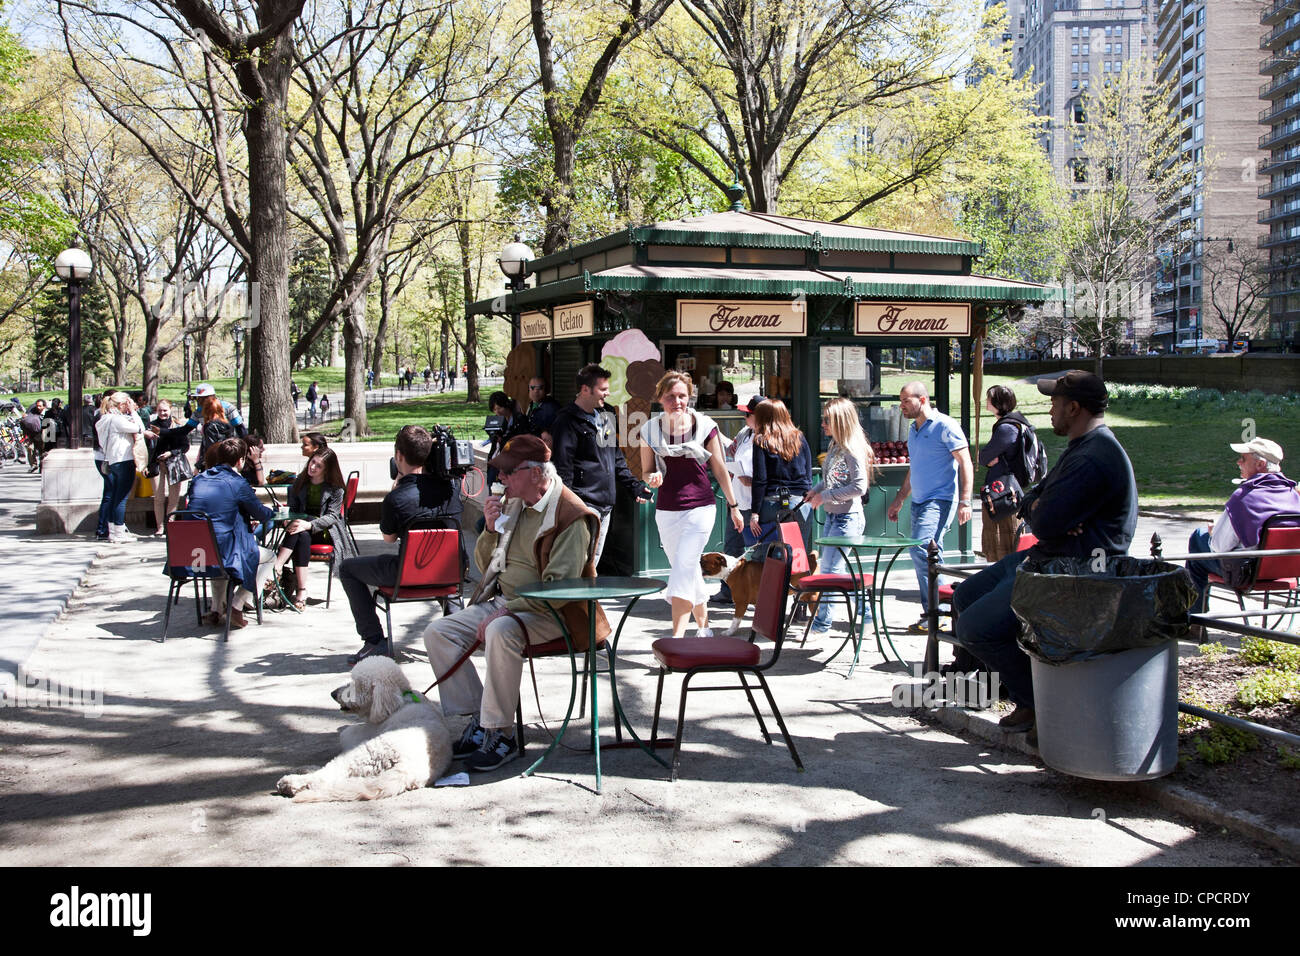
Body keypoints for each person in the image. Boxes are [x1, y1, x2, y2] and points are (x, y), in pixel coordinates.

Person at [953, 371, 1138, 733]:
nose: (1049, 410)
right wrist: (1040, 506)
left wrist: (1043, 510)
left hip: (1073, 566)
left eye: (1054, 403)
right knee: (966, 594)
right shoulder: (1082, 446)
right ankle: (1018, 687)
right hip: (1048, 554)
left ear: (1074, 408)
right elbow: (1033, 498)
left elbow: (1045, 520)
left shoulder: (1095, 455)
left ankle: (1042, 704)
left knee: (975, 627)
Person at [423, 434, 604, 772]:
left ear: (537, 473)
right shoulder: (513, 502)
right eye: (500, 473)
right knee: (439, 633)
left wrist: (506, 610)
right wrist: (490, 529)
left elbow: (558, 590)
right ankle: (482, 716)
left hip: (554, 612)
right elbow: (484, 567)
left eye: (508, 472)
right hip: (507, 603)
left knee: (502, 631)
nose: (500, 479)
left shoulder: (572, 516)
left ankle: (501, 733)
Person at [340, 425, 465, 665]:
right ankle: (455, 633)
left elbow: (388, 539)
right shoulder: (452, 488)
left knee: (347, 568)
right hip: (452, 573)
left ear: (398, 456)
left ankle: (375, 640)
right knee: (443, 565)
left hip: (408, 575)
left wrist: (395, 486)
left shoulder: (396, 498)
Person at [639, 371, 743, 638]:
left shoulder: (705, 426)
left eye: (682, 396)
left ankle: (676, 639)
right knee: (684, 570)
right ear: (660, 398)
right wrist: (652, 478)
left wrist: (733, 506)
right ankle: (704, 628)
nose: (677, 402)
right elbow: (646, 472)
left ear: (690, 397)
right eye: (671, 396)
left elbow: (720, 469)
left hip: (701, 507)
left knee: (684, 568)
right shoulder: (649, 430)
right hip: (667, 510)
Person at [885, 381, 974, 633]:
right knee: (929, 554)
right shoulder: (914, 429)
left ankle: (940, 612)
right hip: (919, 501)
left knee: (923, 549)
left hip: (940, 499)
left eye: (905, 401)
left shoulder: (945, 425)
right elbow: (915, 466)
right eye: (900, 401)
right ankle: (939, 611)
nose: (901, 406)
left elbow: (965, 462)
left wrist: (965, 501)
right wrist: (901, 497)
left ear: (922, 400)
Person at [1185, 438, 1300, 619]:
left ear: (1260, 464)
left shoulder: (1244, 497)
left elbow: (1219, 547)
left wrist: (1212, 532)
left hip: (1245, 574)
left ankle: (1196, 620)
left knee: (1199, 539)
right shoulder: (1293, 495)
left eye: (1243, 459)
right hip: (1287, 572)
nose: (1238, 462)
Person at [550, 364, 650, 566]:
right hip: (582, 504)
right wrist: (569, 506)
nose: (608, 393)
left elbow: (616, 459)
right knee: (576, 562)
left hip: (606, 504)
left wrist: (634, 486)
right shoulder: (566, 420)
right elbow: (563, 467)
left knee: (592, 562)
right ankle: (574, 598)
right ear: (585, 389)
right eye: (603, 389)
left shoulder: (606, 416)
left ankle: (586, 598)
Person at [186, 437, 276, 630]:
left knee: (215, 552)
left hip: (193, 553)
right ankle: (237, 603)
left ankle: (217, 608)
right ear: (240, 461)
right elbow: (260, 514)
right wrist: (275, 512)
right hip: (224, 551)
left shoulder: (198, 479)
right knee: (269, 557)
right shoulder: (238, 482)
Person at [805, 397, 873, 634]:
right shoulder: (836, 446)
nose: (822, 424)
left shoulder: (852, 450)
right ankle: (866, 614)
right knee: (836, 571)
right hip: (835, 516)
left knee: (831, 572)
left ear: (840, 422)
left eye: (827, 420)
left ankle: (822, 623)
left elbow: (859, 487)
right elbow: (832, 478)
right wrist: (816, 489)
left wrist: (824, 497)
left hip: (847, 518)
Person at [271, 446, 356, 610]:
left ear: (327, 470)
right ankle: (301, 591)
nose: (312, 467)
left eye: (318, 466)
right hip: (301, 531)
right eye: (312, 462)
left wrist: (309, 524)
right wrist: (286, 520)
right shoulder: (299, 483)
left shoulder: (336, 488)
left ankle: (277, 565)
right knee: (300, 532)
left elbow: (332, 517)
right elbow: (294, 510)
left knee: (302, 524)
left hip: (325, 531)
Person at [711, 395, 764, 607]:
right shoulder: (744, 433)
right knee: (731, 548)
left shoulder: (768, 439)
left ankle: (756, 595)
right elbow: (730, 448)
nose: (744, 417)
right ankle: (728, 591)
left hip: (754, 504)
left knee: (757, 553)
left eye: (748, 414)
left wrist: (753, 480)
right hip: (737, 501)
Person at [747, 398, 814, 548]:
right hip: (799, 503)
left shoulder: (761, 441)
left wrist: (755, 513)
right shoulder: (799, 437)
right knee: (798, 556)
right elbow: (808, 474)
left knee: (770, 557)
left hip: (772, 504)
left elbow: (760, 479)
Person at [978, 385, 1034, 562]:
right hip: (1006, 490)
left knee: (1005, 543)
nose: (985, 401)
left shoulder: (1007, 428)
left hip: (1003, 494)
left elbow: (983, 457)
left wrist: (990, 458)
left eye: (989, 398)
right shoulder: (1013, 423)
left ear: (997, 403)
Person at [94, 391, 145, 543]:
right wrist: (134, 412)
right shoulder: (117, 420)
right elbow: (140, 427)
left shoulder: (104, 419)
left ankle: (113, 531)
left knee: (115, 496)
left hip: (112, 460)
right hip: (124, 459)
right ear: (122, 404)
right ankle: (119, 531)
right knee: (121, 498)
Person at [148, 399, 197, 536]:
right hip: (156, 464)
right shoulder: (152, 426)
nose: (162, 413)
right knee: (158, 497)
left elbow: (185, 446)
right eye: (160, 411)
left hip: (174, 465)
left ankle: (170, 525)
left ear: (170, 410)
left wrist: (171, 453)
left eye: (165, 410)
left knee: (173, 498)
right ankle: (160, 527)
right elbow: (147, 447)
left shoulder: (177, 426)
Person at [484, 391, 529, 486]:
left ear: (506, 405)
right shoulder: (497, 420)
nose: (497, 412)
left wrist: (504, 439)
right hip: (496, 462)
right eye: (494, 410)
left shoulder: (519, 420)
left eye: (499, 408)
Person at [197, 395, 236, 465]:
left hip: (213, 464)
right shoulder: (228, 425)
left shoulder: (210, 427)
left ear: (206, 410)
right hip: (227, 460)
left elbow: (210, 449)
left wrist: (199, 465)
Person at [525, 376, 562, 445]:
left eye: (540, 388)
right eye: (532, 388)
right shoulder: (532, 404)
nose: (536, 391)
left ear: (547, 390)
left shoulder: (552, 408)